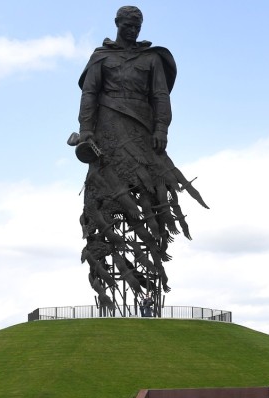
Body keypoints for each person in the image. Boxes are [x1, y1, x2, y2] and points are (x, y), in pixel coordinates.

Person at [77, 5, 203, 313]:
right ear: (117, 23)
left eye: (137, 25)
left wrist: (162, 128)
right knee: (105, 198)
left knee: (151, 191)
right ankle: (110, 296)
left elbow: (161, 95)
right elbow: (89, 95)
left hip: (142, 133)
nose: (132, 29)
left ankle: (150, 294)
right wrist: (85, 132)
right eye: (128, 24)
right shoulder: (100, 58)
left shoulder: (152, 58)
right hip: (107, 131)